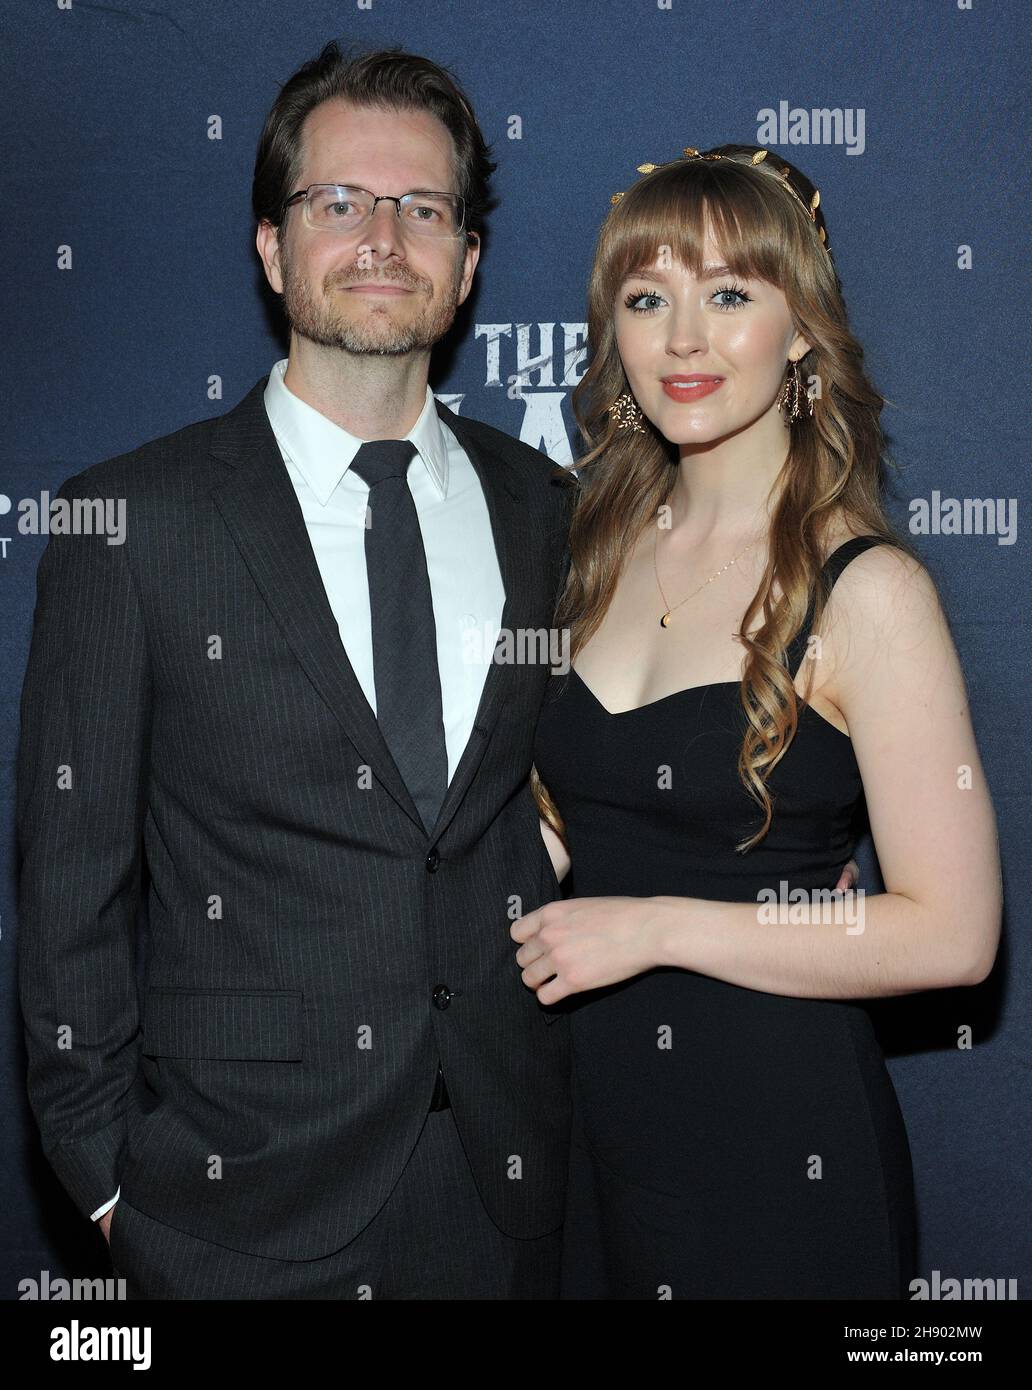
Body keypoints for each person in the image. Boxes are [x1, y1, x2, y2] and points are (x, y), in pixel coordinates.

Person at [16, 43, 573, 1299]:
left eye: (423, 208)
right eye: (341, 203)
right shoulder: (131, 521)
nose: (384, 237)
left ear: (468, 261)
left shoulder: (549, 509)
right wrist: (110, 1187)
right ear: (273, 247)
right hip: (232, 1214)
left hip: (513, 1199)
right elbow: (70, 892)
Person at [522, 145, 1002, 1299]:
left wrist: (658, 926)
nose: (684, 338)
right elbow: (542, 841)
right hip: (584, 1131)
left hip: (779, 1147)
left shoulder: (865, 588)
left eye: (729, 293)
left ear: (800, 333)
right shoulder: (586, 556)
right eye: (649, 298)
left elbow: (954, 936)